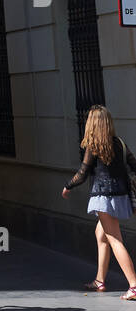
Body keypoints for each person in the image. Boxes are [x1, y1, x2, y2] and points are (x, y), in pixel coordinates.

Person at [62, 104, 136, 299]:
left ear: (92, 124)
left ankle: (134, 285)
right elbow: (134, 165)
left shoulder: (93, 145)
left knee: (114, 239)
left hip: (103, 197)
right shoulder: (119, 143)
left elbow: (83, 173)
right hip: (120, 196)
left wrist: (67, 186)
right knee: (100, 234)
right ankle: (99, 280)